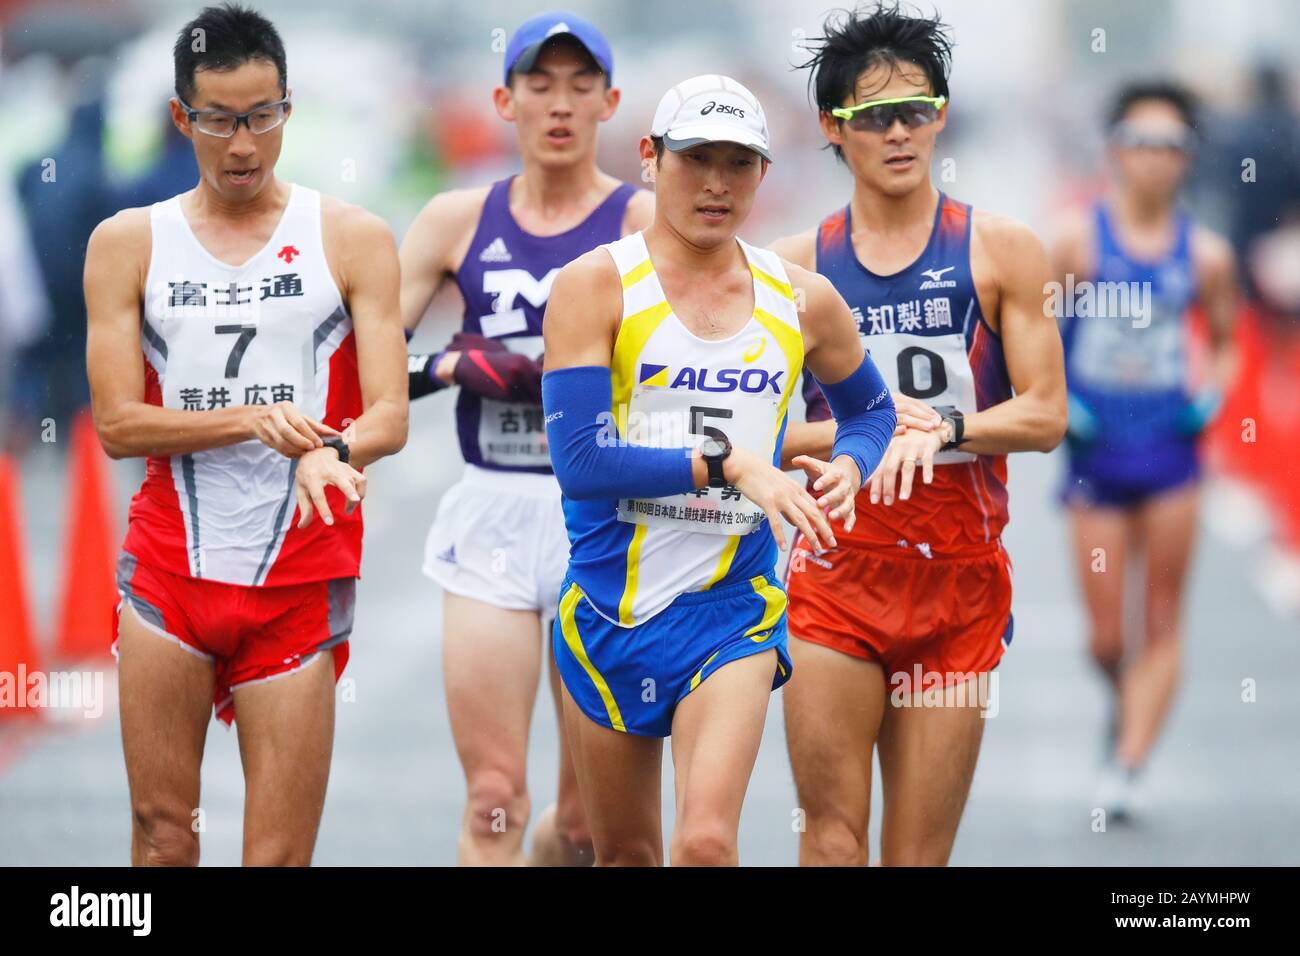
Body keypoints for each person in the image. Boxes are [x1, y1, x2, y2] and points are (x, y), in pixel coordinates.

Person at [541, 73, 896, 866]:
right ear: (649, 157)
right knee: (627, 853)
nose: (716, 184)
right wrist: (733, 465)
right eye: (696, 158)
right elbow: (582, 462)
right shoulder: (596, 285)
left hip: (731, 608)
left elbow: (869, 412)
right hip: (608, 608)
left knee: (705, 843)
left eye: (739, 163)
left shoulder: (800, 299)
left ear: (765, 175)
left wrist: (849, 464)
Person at [84, 3, 407, 865]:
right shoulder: (127, 243)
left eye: (262, 117)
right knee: (161, 838)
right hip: (168, 572)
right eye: (221, 120)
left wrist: (333, 451)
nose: (242, 146)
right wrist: (251, 422)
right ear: (181, 117)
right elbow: (118, 426)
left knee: (277, 858)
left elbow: (390, 415)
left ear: (288, 108)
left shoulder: (352, 238)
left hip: (298, 576)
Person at [772, 3, 1067, 865]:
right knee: (830, 843)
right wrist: (859, 435)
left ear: (941, 113)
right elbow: (772, 431)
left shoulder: (1003, 251)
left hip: (958, 586)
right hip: (836, 574)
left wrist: (941, 428)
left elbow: (1047, 414)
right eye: (875, 118)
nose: (900, 134)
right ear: (834, 128)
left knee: (915, 857)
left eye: (917, 111)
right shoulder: (795, 267)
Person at [399, 11, 654, 866]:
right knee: (494, 798)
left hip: (607, 517)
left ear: (610, 101)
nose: (560, 104)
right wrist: (449, 364)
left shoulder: (643, 225)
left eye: (582, 85)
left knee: (586, 828)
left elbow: (704, 355)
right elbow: (363, 369)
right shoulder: (453, 221)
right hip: (492, 513)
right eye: (539, 84)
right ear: (504, 100)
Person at [1052, 81, 1237, 819]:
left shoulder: (1209, 255)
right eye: (1141, 142)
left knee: (1161, 619)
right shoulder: (1076, 240)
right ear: (1114, 150)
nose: (1155, 159)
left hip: (1170, 452)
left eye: (1171, 146)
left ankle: (1126, 765)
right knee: (1104, 636)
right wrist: (1061, 401)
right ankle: (1124, 701)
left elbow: (1225, 347)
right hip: (1095, 454)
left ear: (1187, 158)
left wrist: (1210, 398)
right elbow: (1032, 338)